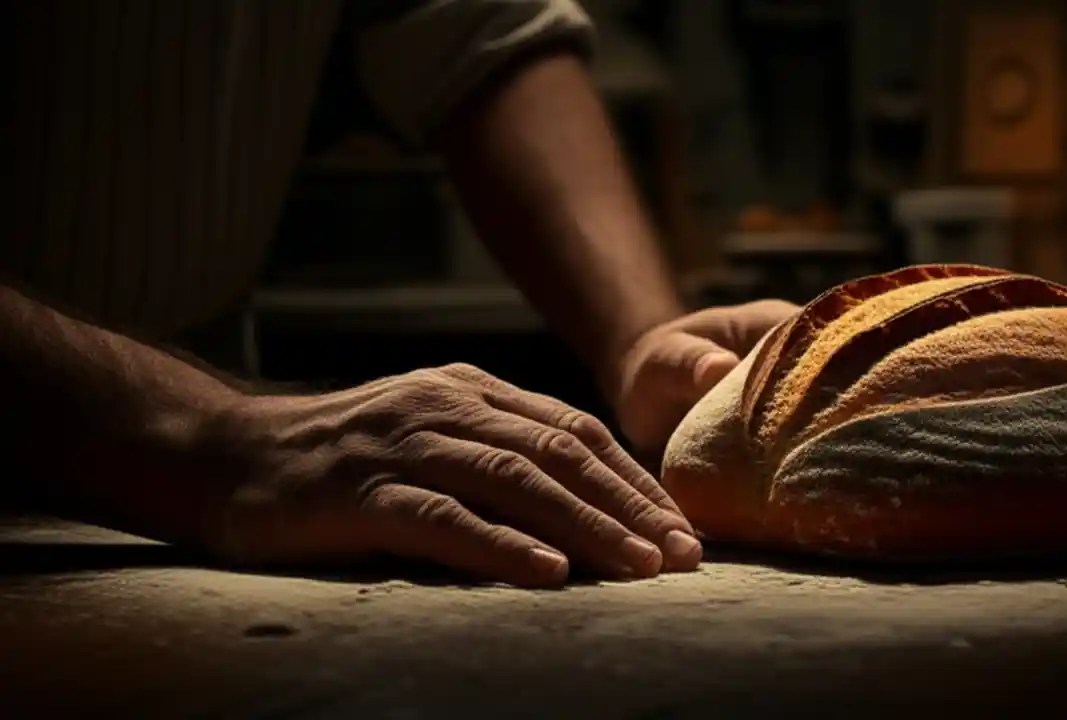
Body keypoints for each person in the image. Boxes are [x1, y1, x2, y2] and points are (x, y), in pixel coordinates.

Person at [2, 1, 797, 588]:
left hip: (214, 448)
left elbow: (480, 36)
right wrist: (195, 438)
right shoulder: (208, 445)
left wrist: (641, 337)